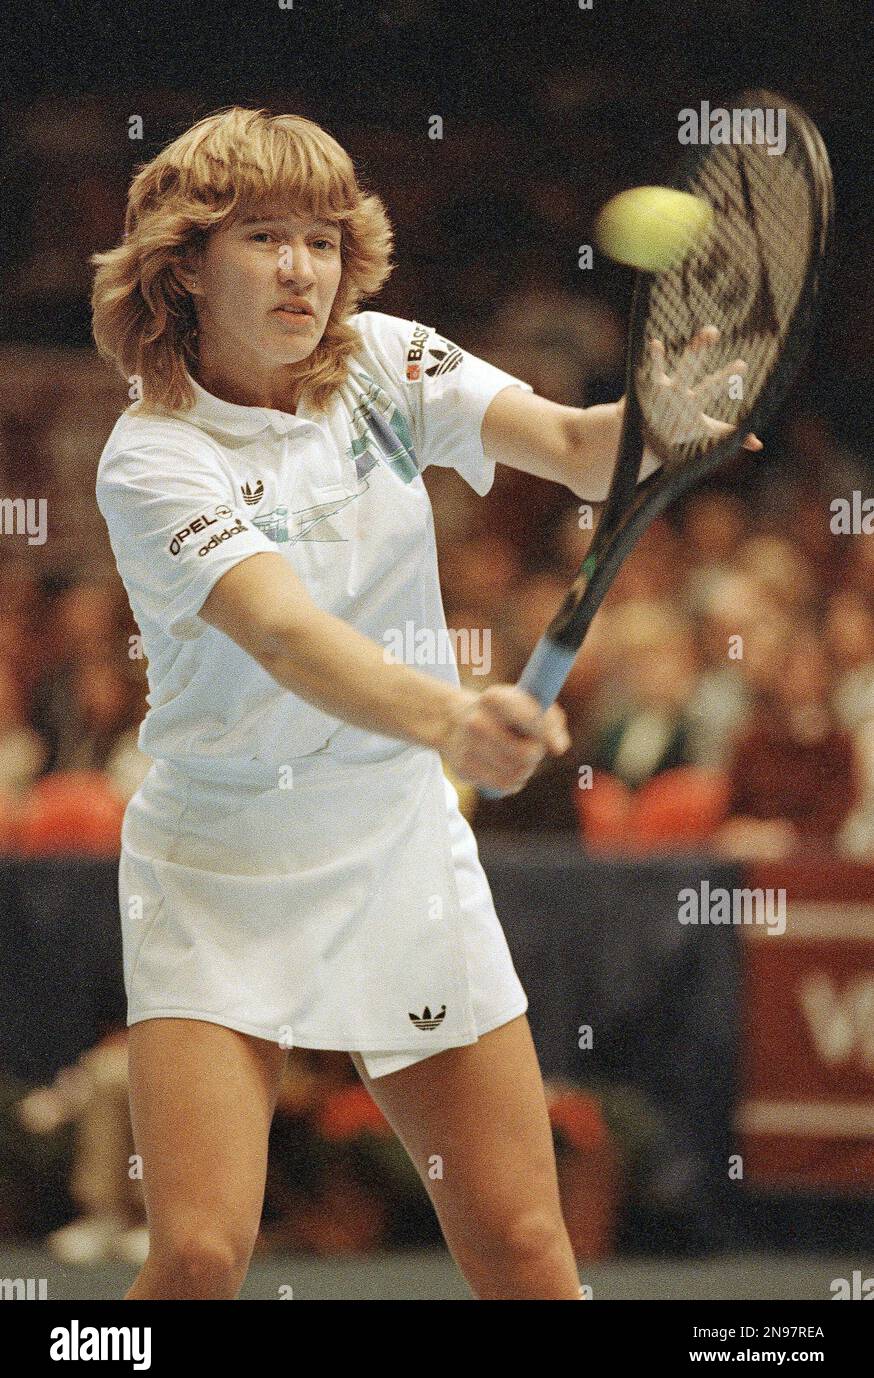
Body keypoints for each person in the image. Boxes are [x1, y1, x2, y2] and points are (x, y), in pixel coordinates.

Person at [90, 106, 757, 1300]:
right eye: (263, 239)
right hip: (219, 865)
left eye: (322, 239)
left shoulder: (392, 364)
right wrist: (453, 716)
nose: (304, 267)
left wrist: (661, 429)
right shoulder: (154, 456)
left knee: (523, 1248)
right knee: (195, 1255)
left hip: (396, 847)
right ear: (186, 263)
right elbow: (289, 635)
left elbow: (568, 439)